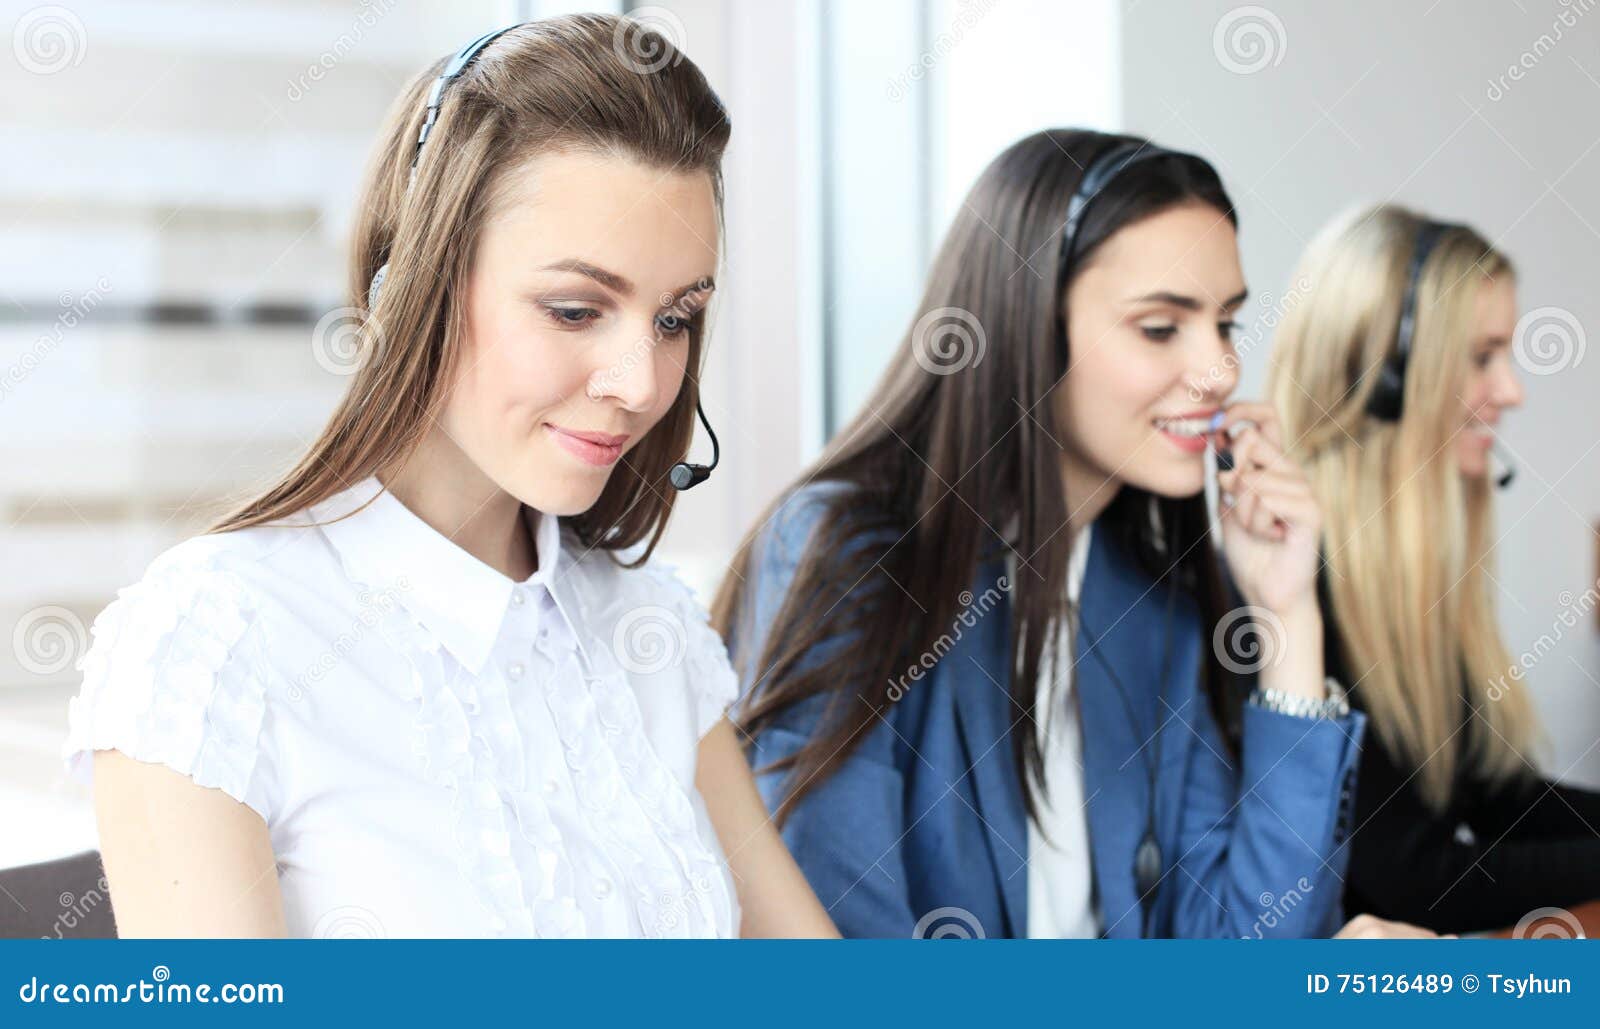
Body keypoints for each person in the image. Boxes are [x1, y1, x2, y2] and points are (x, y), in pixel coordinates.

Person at [63, 15, 836, 940]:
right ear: (415, 283)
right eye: (575, 308)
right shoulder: (210, 643)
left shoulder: (647, 626)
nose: (640, 384)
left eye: (675, 318)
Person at [713, 130, 1385, 939]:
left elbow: (1253, 950)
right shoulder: (848, 555)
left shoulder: (1150, 590)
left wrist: (1286, 621)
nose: (1220, 370)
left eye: (1228, 325)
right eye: (1161, 327)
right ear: (1029, 324)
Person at [1267, 205, 1600, 934]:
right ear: (1388, 376)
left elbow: (1487, 788)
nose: (1511, 391)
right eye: (1481, 357)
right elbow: (1413, 878)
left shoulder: (1402, 569)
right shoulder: (1291, 577)